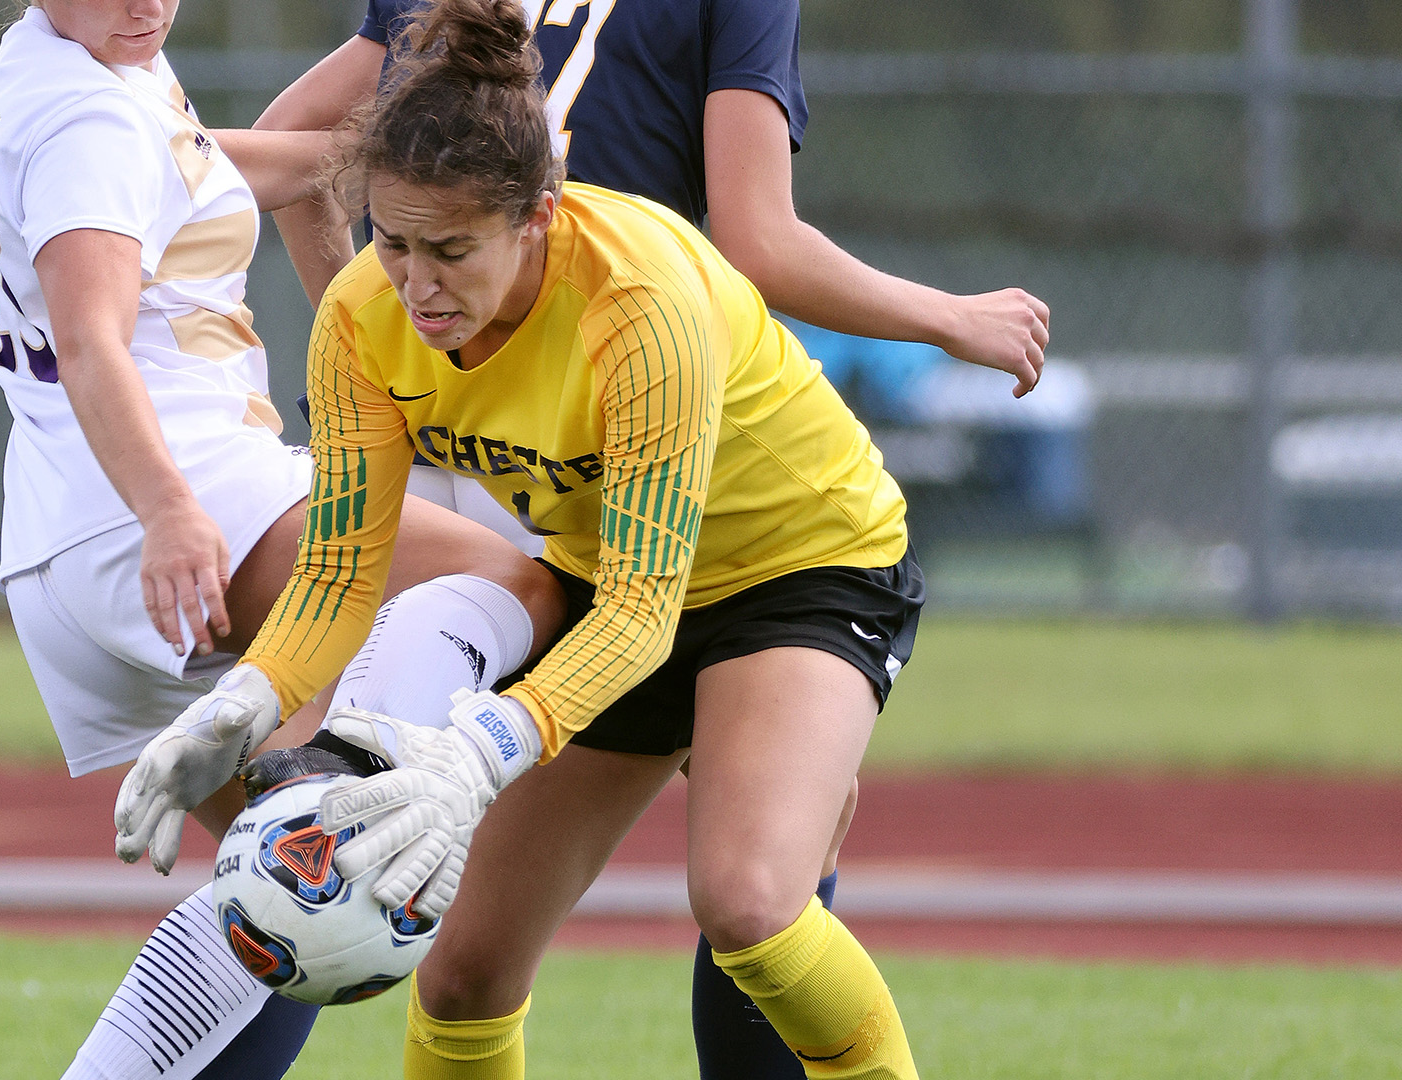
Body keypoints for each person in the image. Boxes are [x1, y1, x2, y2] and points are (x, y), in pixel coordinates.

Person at [248, 0, 1047, 1074]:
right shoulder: (365, 310)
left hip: (796, 561)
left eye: (450, 248)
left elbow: (640, 611)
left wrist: (474, 759)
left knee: (750, 901)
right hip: (609, 566)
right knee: (463, 973)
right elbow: (341, 575)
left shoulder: (638, 298)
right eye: (393, 241)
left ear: (538, 214)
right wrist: (237, 706)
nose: (417, 283)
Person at [0, 3, 564, 1078]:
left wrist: (410, 137)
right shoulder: (87, 121)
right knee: (512, 584)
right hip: (183, 499)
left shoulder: (65, 65)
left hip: (64, 544)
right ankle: (376, 784)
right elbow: (92, 339)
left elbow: (224, 167)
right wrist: (166, 510)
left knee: (290, 909)